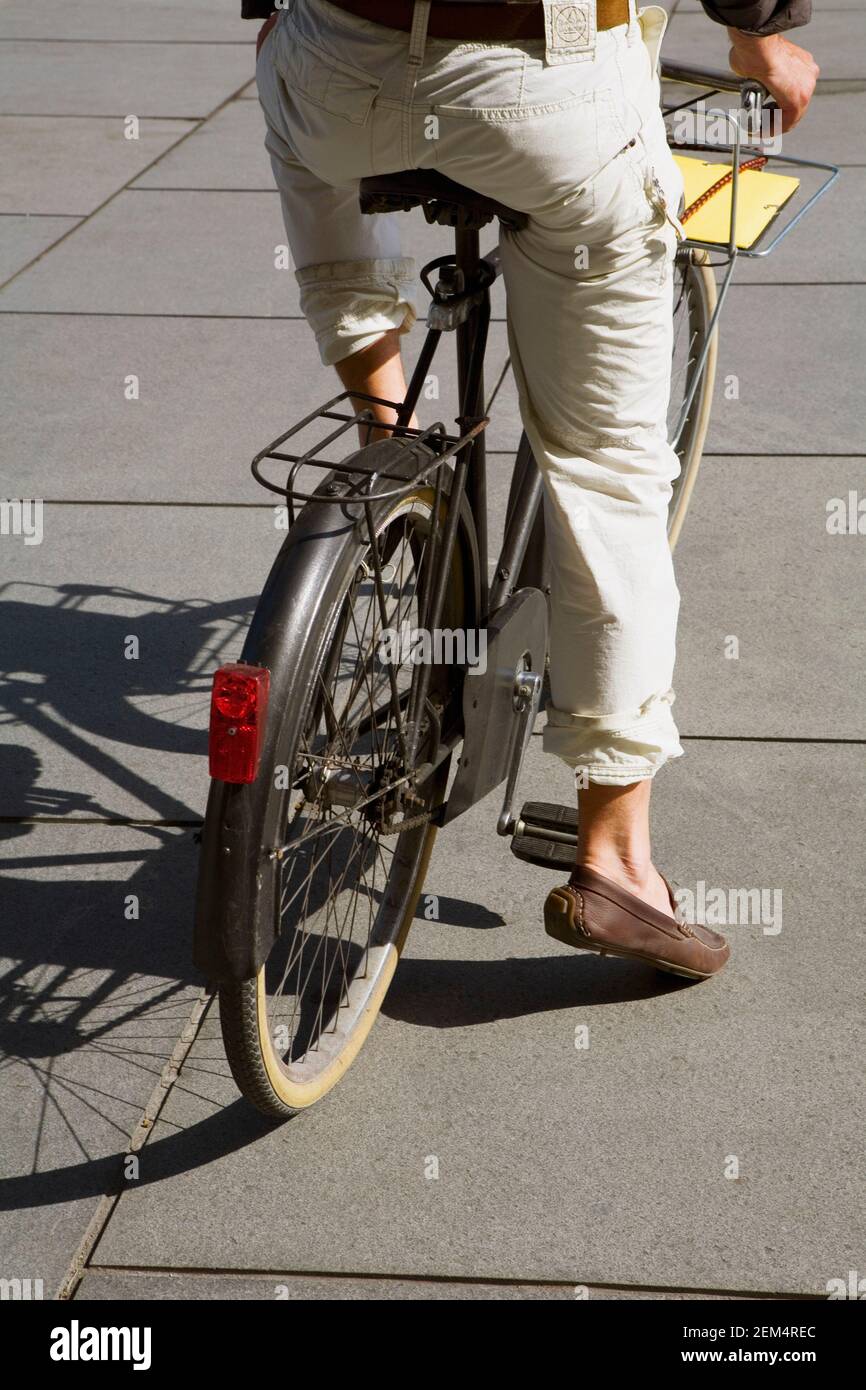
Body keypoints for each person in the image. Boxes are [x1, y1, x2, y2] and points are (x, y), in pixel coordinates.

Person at [243, 0, 817, 978]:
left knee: (296, 94)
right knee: (605, 464)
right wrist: (757, 37)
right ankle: (618, 862)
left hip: (340, 60)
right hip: (539, 84)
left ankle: (388, 442)